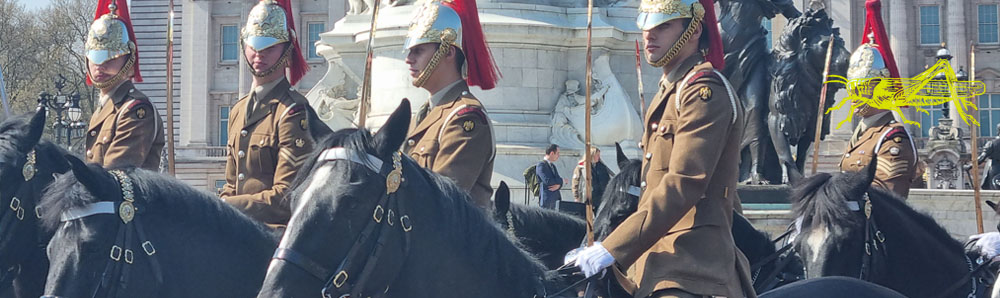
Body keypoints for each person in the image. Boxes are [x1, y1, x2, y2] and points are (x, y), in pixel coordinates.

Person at [568, 0, 756, 297]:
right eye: (646, 26)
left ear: (694, 29)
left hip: (692, 263)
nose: (649, 35)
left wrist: (614, 247)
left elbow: (683, 183)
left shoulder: (704, 91)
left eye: (663, 26)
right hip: (651, 259)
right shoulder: (671, 91)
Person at [219, 0, 316, 229]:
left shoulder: (292, 111)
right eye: (253, 46)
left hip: (274, 235)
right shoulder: (238, 110)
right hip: (238, 228)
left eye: (269, 48)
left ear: (287, 49)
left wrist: (224, 206)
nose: (258, 55)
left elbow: (286, 197)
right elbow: (231, 184)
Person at [402, 0, 501, 210]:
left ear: (448, 52)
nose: (408, 59)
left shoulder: (465, 117)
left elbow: (439, 199)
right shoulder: (423, 114)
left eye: (418, 50)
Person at [837, 0, 916, 199]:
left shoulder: (893, 137)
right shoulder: (863, 134)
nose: (853, 96)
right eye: (851, 89)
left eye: (861, 89)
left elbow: (886, 198)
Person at [83, 0, 164, 170]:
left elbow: (115, 173)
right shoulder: (105, 108)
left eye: (110, 57)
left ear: (129, 59)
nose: (100, 65)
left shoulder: (136, 110)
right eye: (95, 57)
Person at [537, 144, 567, 209]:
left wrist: (559, 185)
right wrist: (562, 180)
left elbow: (557, 179)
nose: (558, 156)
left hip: (555, 200)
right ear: (552, 153)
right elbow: (547, 181)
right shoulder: (541, 165)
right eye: (557, 153)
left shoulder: (553, 166)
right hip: (547, 201)